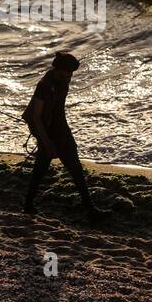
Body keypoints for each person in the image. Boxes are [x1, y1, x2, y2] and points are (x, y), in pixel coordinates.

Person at [23, 51, 101, 216]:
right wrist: (46, 142)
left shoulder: (63, 82)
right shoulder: (44, 85)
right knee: (40, 171)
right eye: (68, 72)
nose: (70, 76)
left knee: (76, 170)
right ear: (58, 69)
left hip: (62, 131)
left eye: (72, 73)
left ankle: (91, 209)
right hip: (48, 133)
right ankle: (28, 206)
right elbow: (37, 117)